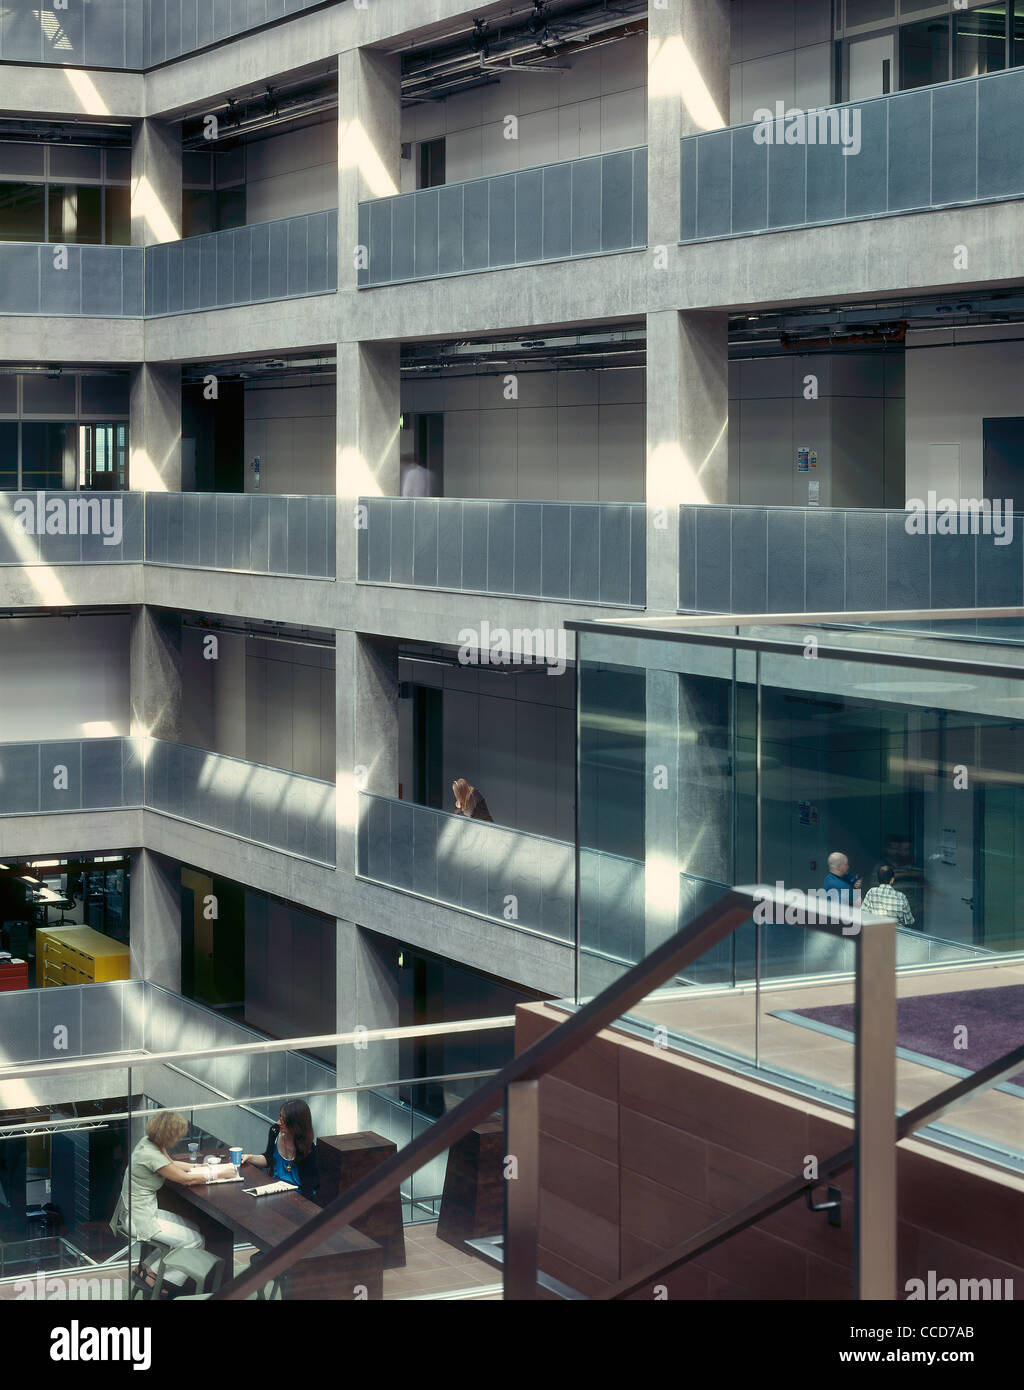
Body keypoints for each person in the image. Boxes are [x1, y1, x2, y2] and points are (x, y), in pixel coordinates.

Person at [110, 1110, 233, 1285]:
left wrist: (199, 1166)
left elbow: (171, 1165)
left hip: (139, 1210)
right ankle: (162, 1283)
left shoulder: (148, 1143)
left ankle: (145, 1268)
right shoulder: (152, 1155)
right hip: (138, 1219)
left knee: (194, 1228)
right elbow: (186, 1180)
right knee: (196, 1241)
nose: (178, 1139)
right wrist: (220, 1173)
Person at [241, 1100, 318, 1200]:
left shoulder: (309, 1150)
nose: (278, 1122)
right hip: (275, 1188)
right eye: (280, 1117)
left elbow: (308, 1188)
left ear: (296, 1125)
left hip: (298, 1196)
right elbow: (268, 1159)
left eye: (283, 1121)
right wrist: (249, 1157)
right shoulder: (275, 1131)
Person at [861, 863, 916, 928]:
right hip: (896, 935)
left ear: (879, 879)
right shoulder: (901, 897)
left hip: (875, 931)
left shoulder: (871, 892)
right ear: (892, 880)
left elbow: (863, 914)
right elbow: (910, 921)